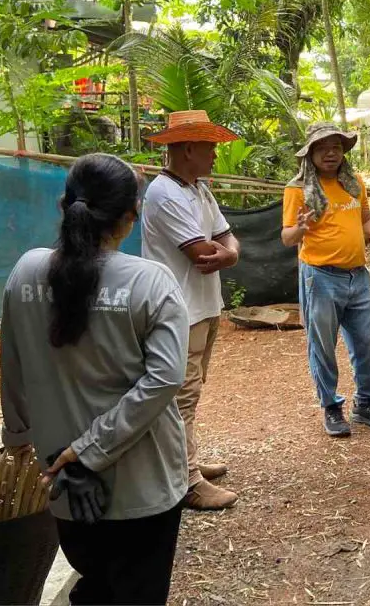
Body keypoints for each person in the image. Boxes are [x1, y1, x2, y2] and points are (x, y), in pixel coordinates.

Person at [1, 154, 189, 605]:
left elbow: (13, 363)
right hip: (144, 485)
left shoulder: (26, 270)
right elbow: (164, 380)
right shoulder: (151, 282)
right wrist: (88, 452)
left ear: (62, 205)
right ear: (131, 216)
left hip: (62, 482)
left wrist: (19, 436)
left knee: (94, 589)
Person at [140, 109, 241, 511]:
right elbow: (202, 251)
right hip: (178, 309)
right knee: (180, 394)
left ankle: (186, 463)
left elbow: (227, 241)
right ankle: (186, 481)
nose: (215, 154)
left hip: (201, 305)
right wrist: (227, 254)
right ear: (186, 149)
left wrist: (229, 256)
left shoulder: (197, 189)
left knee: (189, 392)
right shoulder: (165, 193)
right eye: (209, 146)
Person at [282, 122, 370, 437]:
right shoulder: (298, 188)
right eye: (323, 147)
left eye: (336, 147)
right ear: (311, 153)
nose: (331, 153)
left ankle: (366, 403)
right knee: (323, 347)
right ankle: (331, 407)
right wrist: (302, 227)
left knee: (367, 343)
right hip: (320, 277)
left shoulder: (353, 183)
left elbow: (366, 221)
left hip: (358, 276)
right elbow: (287, 238)